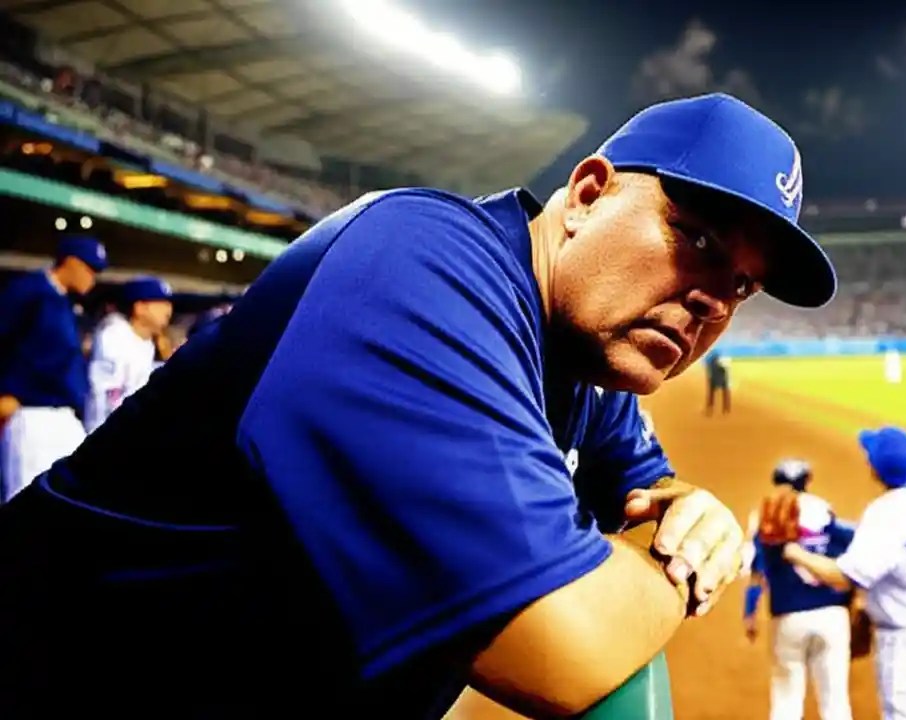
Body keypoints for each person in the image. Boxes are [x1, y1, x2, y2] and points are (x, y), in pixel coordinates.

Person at [0, 92, 836, 718]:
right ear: (586, 194)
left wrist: (686, 508)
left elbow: (650, 495)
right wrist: (679, 561)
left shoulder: (590, 360)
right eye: (695, 237)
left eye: (740, 287)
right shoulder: (423, 264)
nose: (712, 304)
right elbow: (565, 647)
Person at [781, 427, 906, 720]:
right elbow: (885, 542)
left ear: (878, 469)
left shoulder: (885, 515)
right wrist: (831, 526)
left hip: (904, 644)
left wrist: (794, 552)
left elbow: (842, 575)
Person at [743, 460, 856, 720]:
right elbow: (851, 555)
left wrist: (750, 613)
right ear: (806, 481)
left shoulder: (765, 516)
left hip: (788, 618)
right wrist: (855, 601)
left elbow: (757, 574)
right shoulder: (826, 511)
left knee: (786, 701)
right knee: (836, 704)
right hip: (833, 616)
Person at [0, 235, 107, 502]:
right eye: (88, 268)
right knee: (26, 504)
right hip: (32, 413)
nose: (92, 278)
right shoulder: (28, 290)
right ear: (69, 262)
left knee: (73, 500)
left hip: (65, 416)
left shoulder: (66, 302)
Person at [83, 276, 174, 433]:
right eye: (160, 303)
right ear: (140, 308)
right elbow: (108, 398)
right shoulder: (114, 335)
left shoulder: (146, 342)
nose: (168, 309)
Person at [704, 346, 731, 415]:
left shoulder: (709, 360)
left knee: (711, 394)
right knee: (725, 393)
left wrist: (708, 378)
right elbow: (725, 370)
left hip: (713, 378)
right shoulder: (721, 360)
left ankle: (710, 408)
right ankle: (726, 409)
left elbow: (708, 370)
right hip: (721, 379)